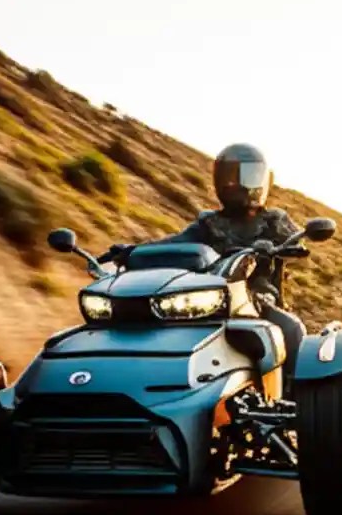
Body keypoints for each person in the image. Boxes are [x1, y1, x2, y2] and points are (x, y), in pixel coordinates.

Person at [110, 143, 307, 379]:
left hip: (255, 298)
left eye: (242, 176)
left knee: (292, 329)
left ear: (259, 179)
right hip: (209, 296)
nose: (234, 183)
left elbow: (299, 248)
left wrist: (276, 249)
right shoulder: (210, 222)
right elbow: (176, 243)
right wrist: (132, 251)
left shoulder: (274, 219)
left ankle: (293, 396)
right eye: (228, 176)